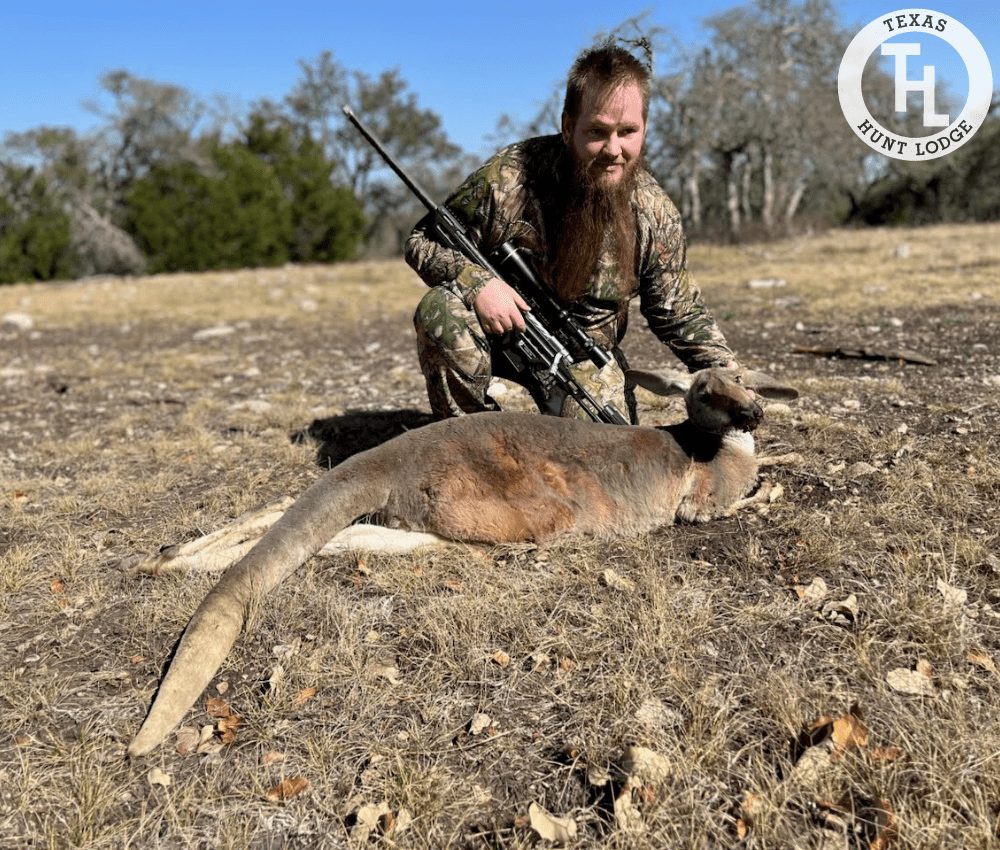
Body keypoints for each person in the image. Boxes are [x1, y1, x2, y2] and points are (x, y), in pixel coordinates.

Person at [406, 42, 736, 424]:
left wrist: (726, 372)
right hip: (498, 333)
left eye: (628, 132)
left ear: (644, 128)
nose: (613, 149)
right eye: (597, 131)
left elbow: (677, 309)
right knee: (442, 311)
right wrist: (478, 284)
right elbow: (423, 241)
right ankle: (470, 438)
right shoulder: (509, 176)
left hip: (582, 360)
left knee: (604, 447)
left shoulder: (654, 211)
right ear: (567, 127)